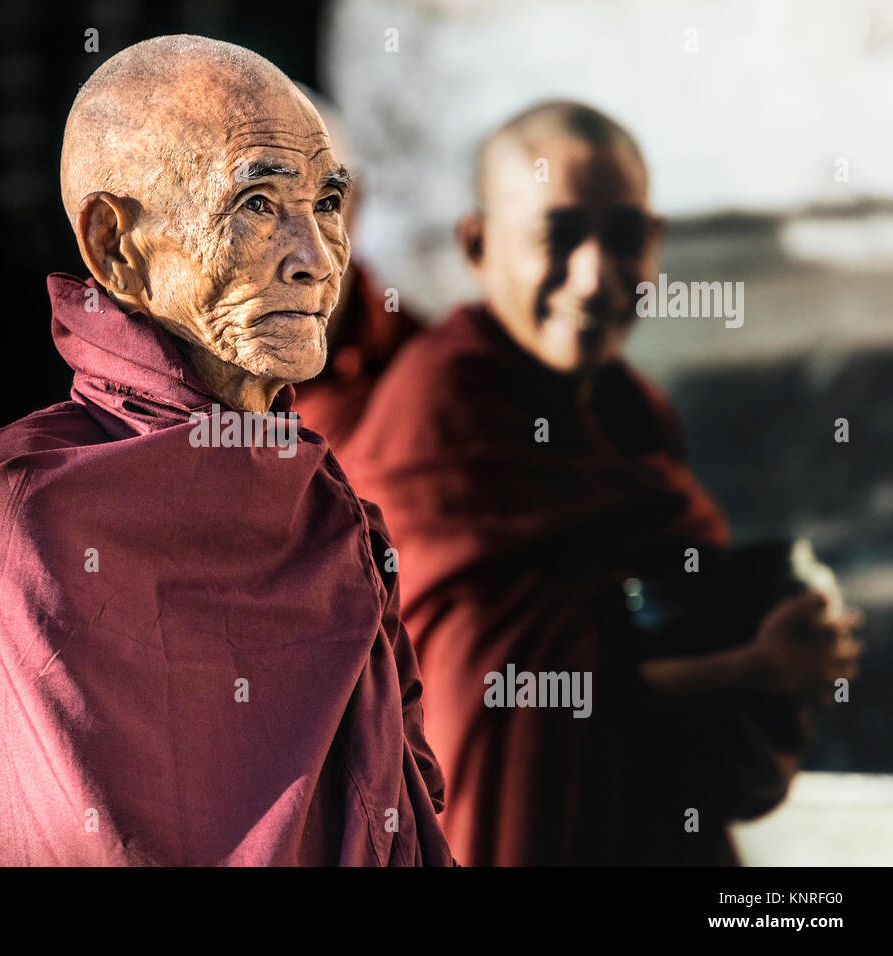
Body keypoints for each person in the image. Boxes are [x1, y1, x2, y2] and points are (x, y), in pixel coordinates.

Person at [0, 35, 453, 866]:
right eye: (257, 205)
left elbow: (406, 800)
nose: (317, 261)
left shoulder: (324, 501)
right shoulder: (24, 505)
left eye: (327, 204)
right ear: (115, 248)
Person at [338, 100, 862, 865]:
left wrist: (771, 615)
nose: (594, 279)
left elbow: (635, 622)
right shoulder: (445, 410)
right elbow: (489, 699)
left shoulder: (629, 404)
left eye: (623, 239)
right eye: (556, 237)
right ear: (478, 246)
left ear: (654, 243)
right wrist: (751, 667)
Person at [290, 86, 422, 451]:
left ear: (357, 207)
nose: (302, 250)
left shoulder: (416, 362)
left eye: (325, 203)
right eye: (256, 207)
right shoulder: (149, 387)